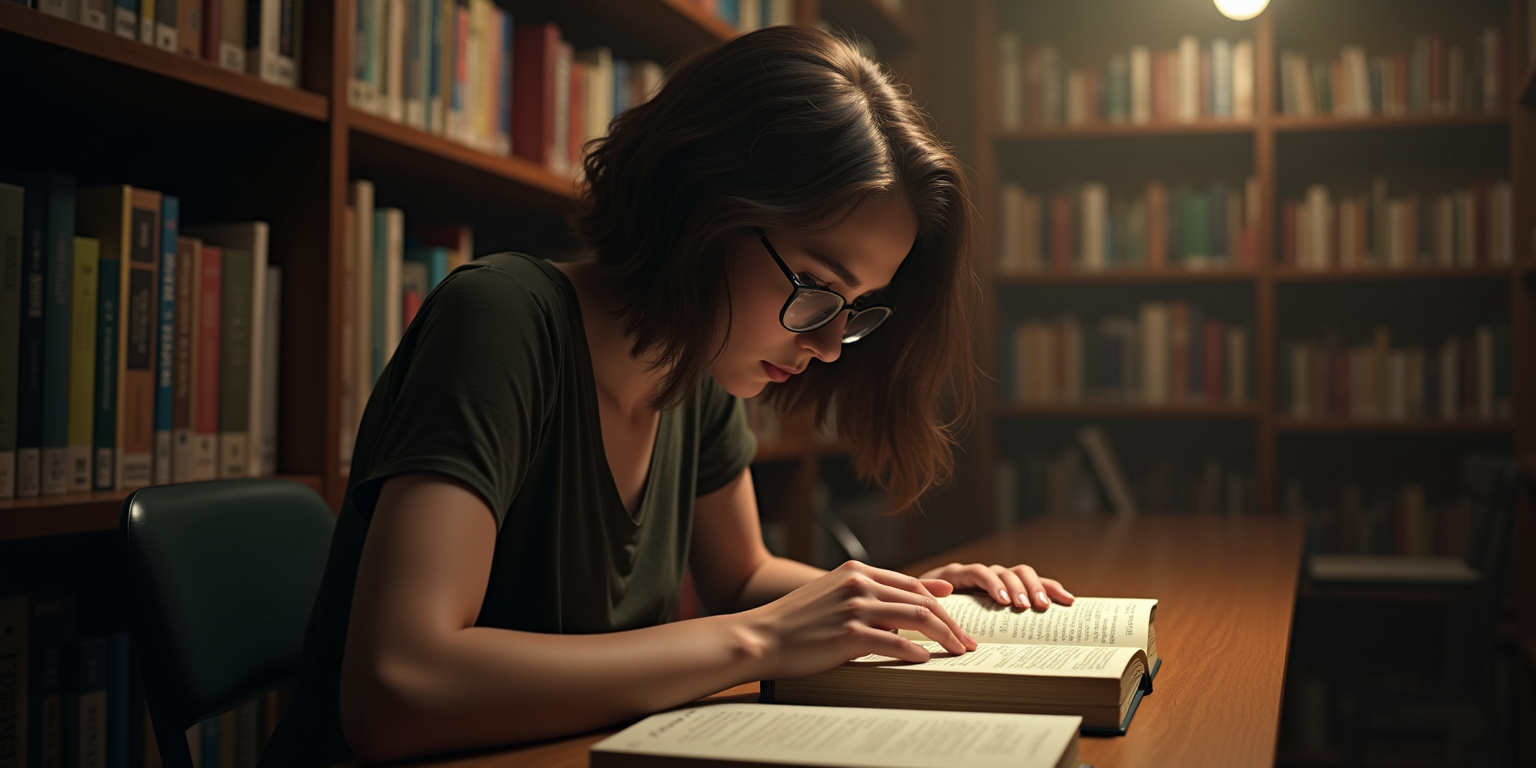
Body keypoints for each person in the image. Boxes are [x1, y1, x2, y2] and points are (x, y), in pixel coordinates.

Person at [258, 24, 1073, 768]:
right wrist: (757, 642)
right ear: (701, 201)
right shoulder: (501, 319)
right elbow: (398, 688)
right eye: (818, 286)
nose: (827, 345)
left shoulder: (699, 368)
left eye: (855, 310)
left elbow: (743, 577)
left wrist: (910, 602)